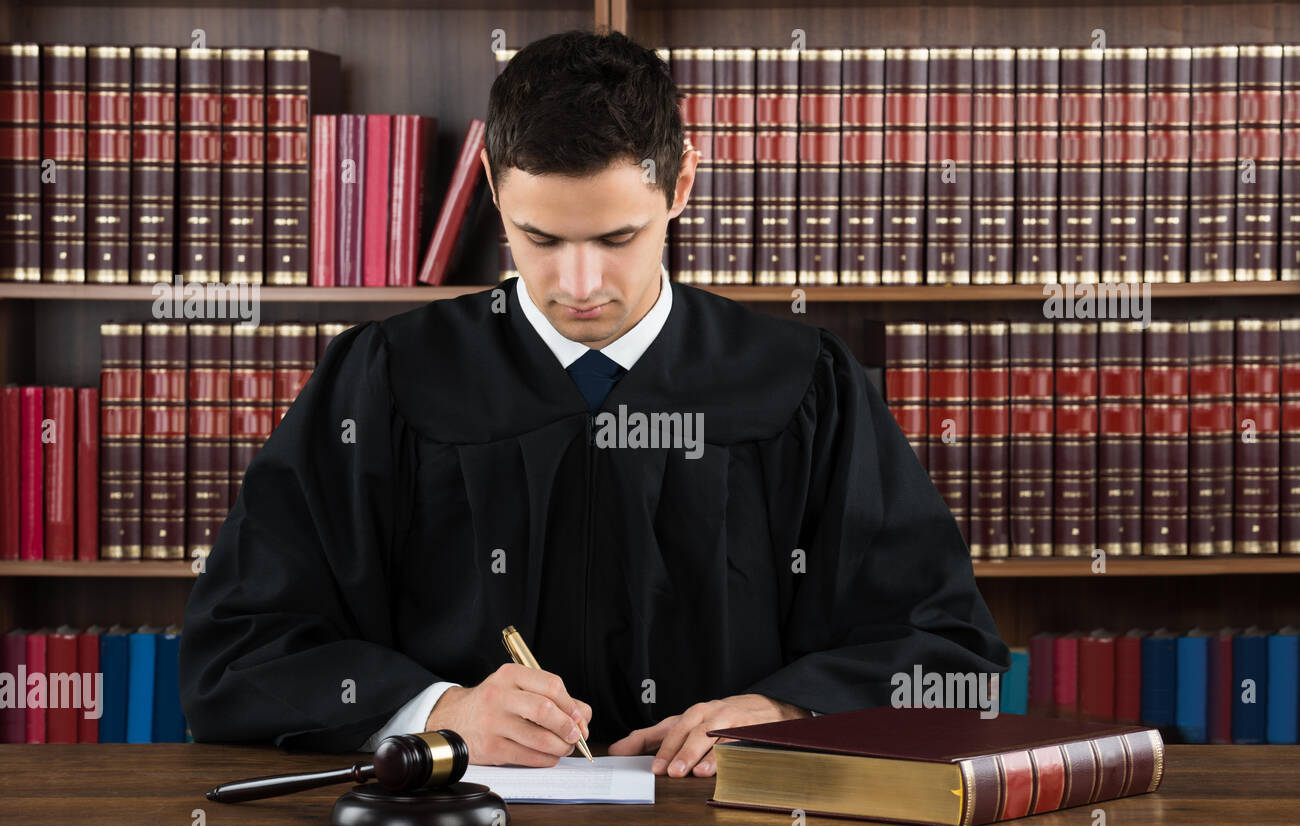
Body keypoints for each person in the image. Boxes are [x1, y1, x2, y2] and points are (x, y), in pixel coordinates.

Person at [179, 29, 1009, 779]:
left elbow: (949, 653)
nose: (579, 287)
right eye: (540, 239)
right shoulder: (389, 377)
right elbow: (238, 651)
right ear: (493, 191)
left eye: (617, 238)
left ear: (680, 184)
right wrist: (441, 712)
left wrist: (791, 711)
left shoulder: (800, 383)